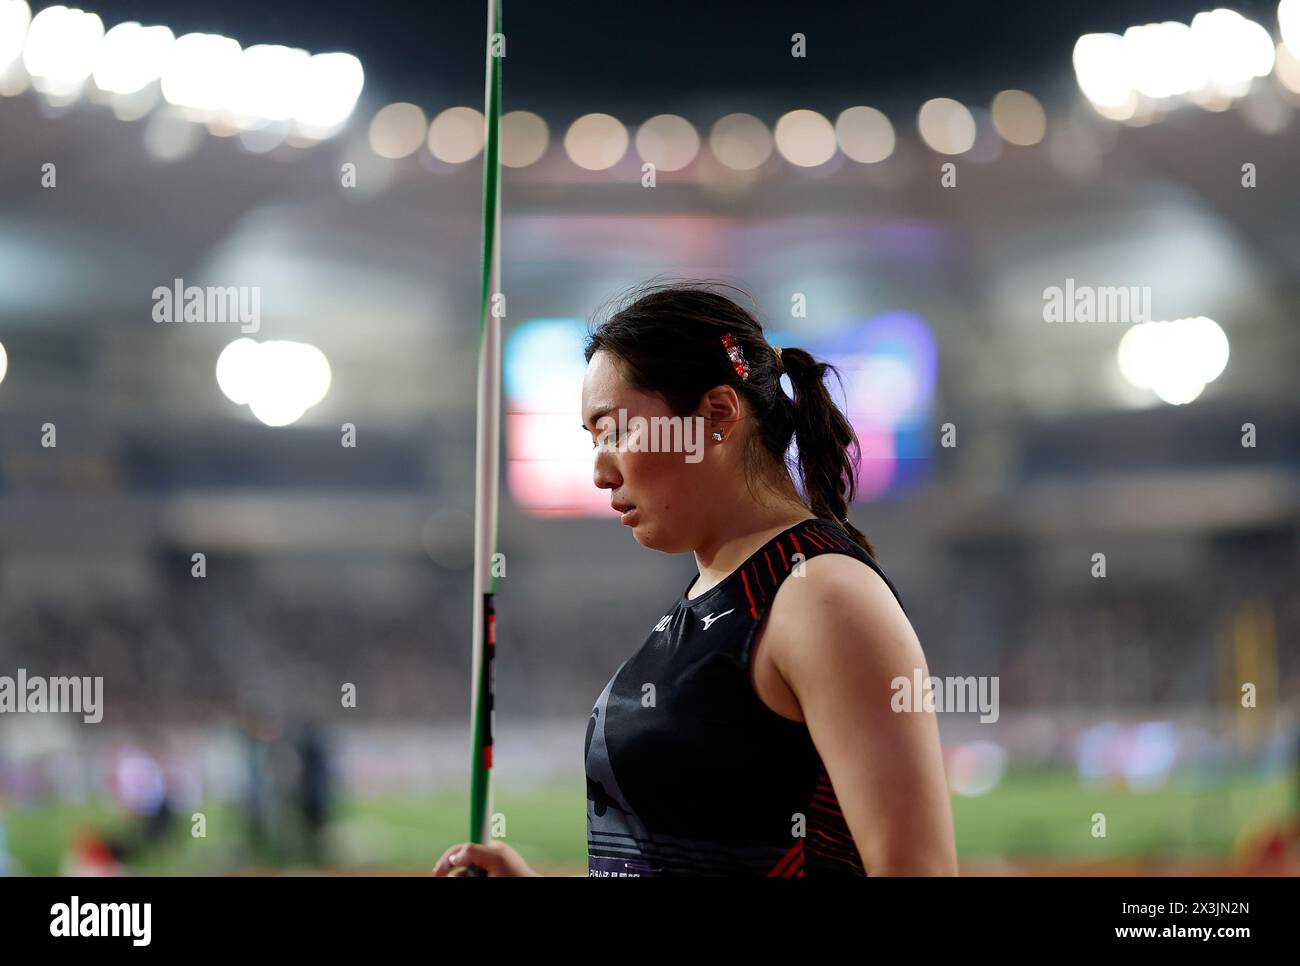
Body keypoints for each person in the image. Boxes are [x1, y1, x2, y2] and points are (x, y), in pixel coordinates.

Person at [435, 279, 956, 876]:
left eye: (616, 431)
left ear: (715, 416)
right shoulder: (715, 594)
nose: (600, 472)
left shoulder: (820, 596)